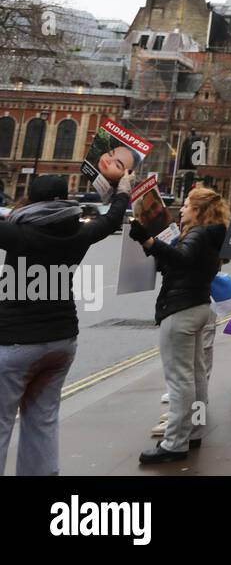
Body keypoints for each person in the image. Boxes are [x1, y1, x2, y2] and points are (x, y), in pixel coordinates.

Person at [0, 173, 132, 475]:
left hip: (15, 344)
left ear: (31, 200)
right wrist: (122, 189)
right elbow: (112, 219)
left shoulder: (17, 233)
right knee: (42, 421)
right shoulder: (78, 233)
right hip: (62, 342)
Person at [133, 185, 227, 465]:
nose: (182, 208)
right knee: (196, 375)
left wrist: (149, 242)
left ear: (198, 210)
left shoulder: (197, 233)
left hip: (181, 310)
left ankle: (174, 442)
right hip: (198, 305)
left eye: (186, 204)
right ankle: (194, 429)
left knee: (180, 379)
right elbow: (185, 263)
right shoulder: (210, 234)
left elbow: (183, 259)